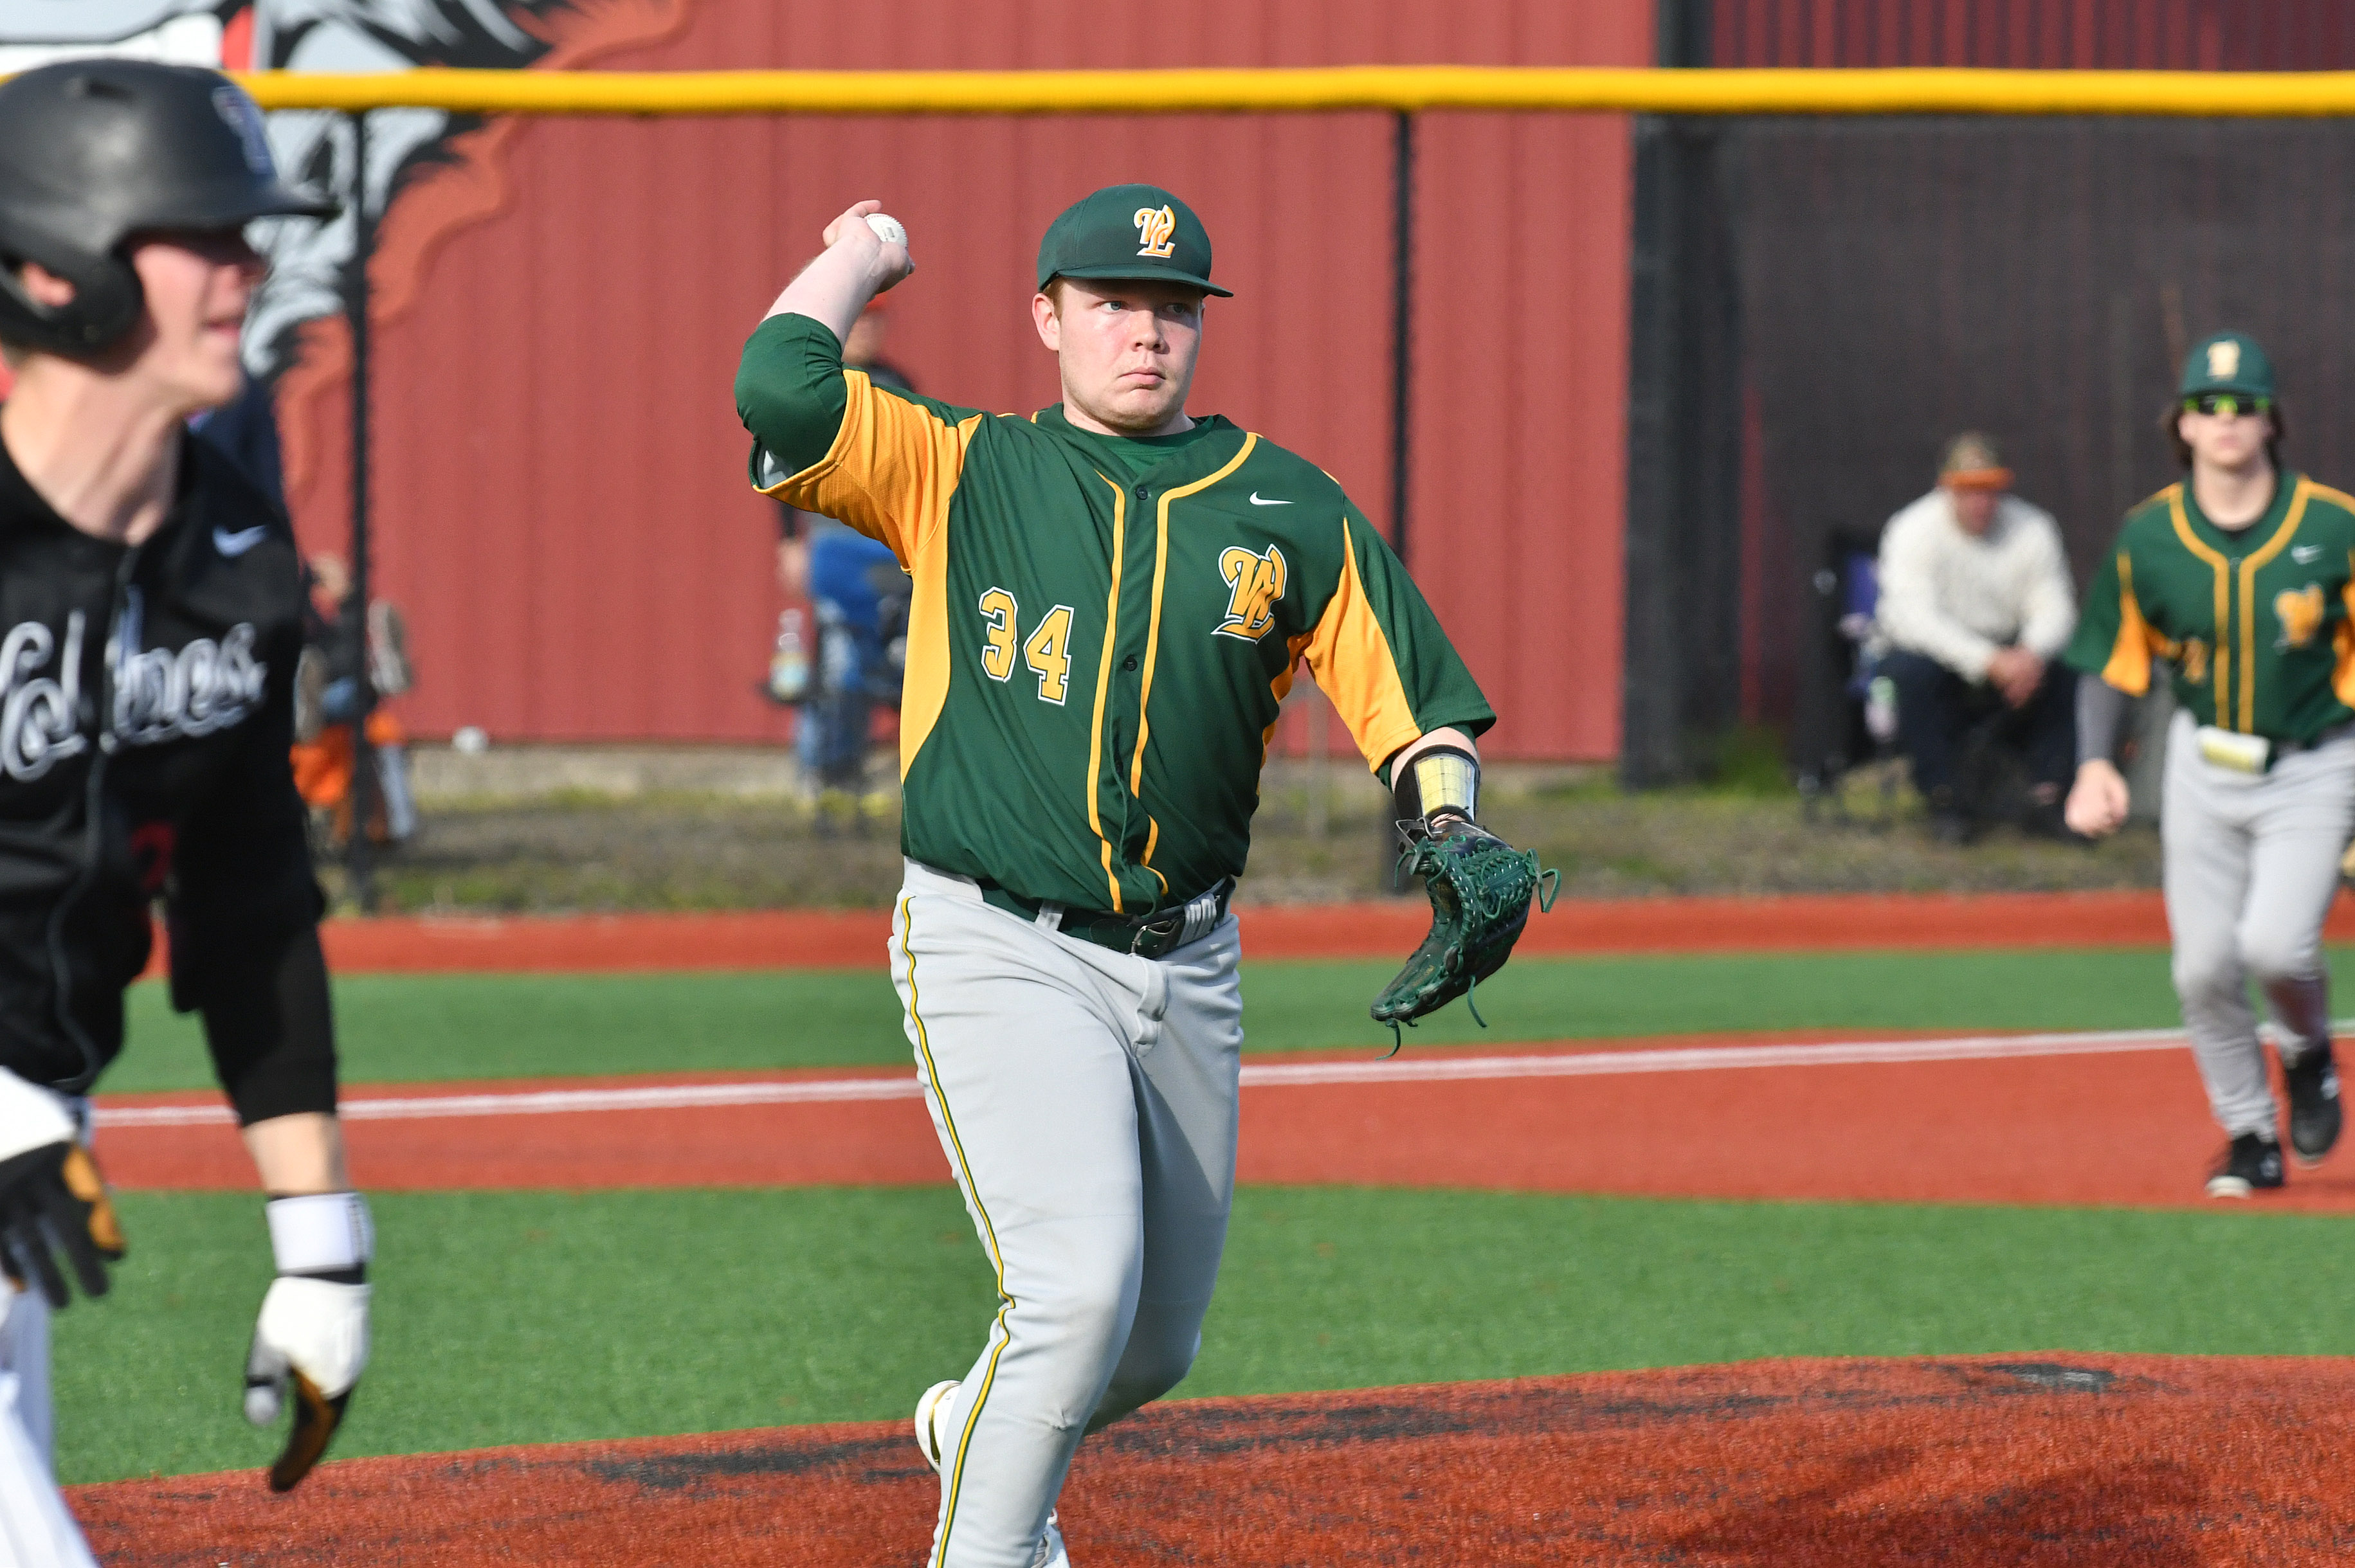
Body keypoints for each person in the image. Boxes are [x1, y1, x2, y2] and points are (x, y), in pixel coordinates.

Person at [736, 186, 1534, 1568]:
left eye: (1172, 308)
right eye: (1111, 302)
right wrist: (856, 257)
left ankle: (975, 1422)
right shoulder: (959, 465)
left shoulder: (1285, 502)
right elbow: (777, 383)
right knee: (1075, 1294)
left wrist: (1450, 827)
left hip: (1189, 960)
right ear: (1045, 317)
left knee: (1152, 1343)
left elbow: (1415, 704)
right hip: (998, 935)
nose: (1145, 332)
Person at [0, 60, 372, 1563]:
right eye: (203, 234)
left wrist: (320, 1246)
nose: (248, 265)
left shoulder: (226, 545)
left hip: (35, 1112)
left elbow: (246, 896)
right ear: (57, 259)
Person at [2064, 330, 2355, 1198]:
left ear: (2270, 421)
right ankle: (2247, 1134)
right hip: (2200, 764)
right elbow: (2109, 657)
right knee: (2199, 966)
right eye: (2207, 406)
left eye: (2241, 405)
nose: (2225, 420)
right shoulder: (2148, 536)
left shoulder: (2333, 524)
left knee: (2273, 942)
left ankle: (2306, 1052)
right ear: (2181, 425)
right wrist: (2092, 765)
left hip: (2312, 758)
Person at [1873, 432, 2079, 842]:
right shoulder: (1912, 529)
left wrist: (2030, 656)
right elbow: (1915, 621)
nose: (1980, 502)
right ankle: (1945, 801)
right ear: (1945, 488)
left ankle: (2051, 797)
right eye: (1968, 491)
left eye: (1989, 490)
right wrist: (1987, 662)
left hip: (2011, 653)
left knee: (2067, 670)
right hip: (1938, 656)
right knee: (1913, 674)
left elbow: (2056, 607)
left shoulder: (2033, 528)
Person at [772, 298, 914, 824]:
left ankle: (908, 783)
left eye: (876, 320)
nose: (867, 331)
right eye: (858, 320)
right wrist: (790, 541)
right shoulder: (817, 388)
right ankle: (823, 775)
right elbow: (783, 467)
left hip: (885, 548)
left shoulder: (896, 384)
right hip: (833, 545)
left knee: (900, 663)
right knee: (838, 666)